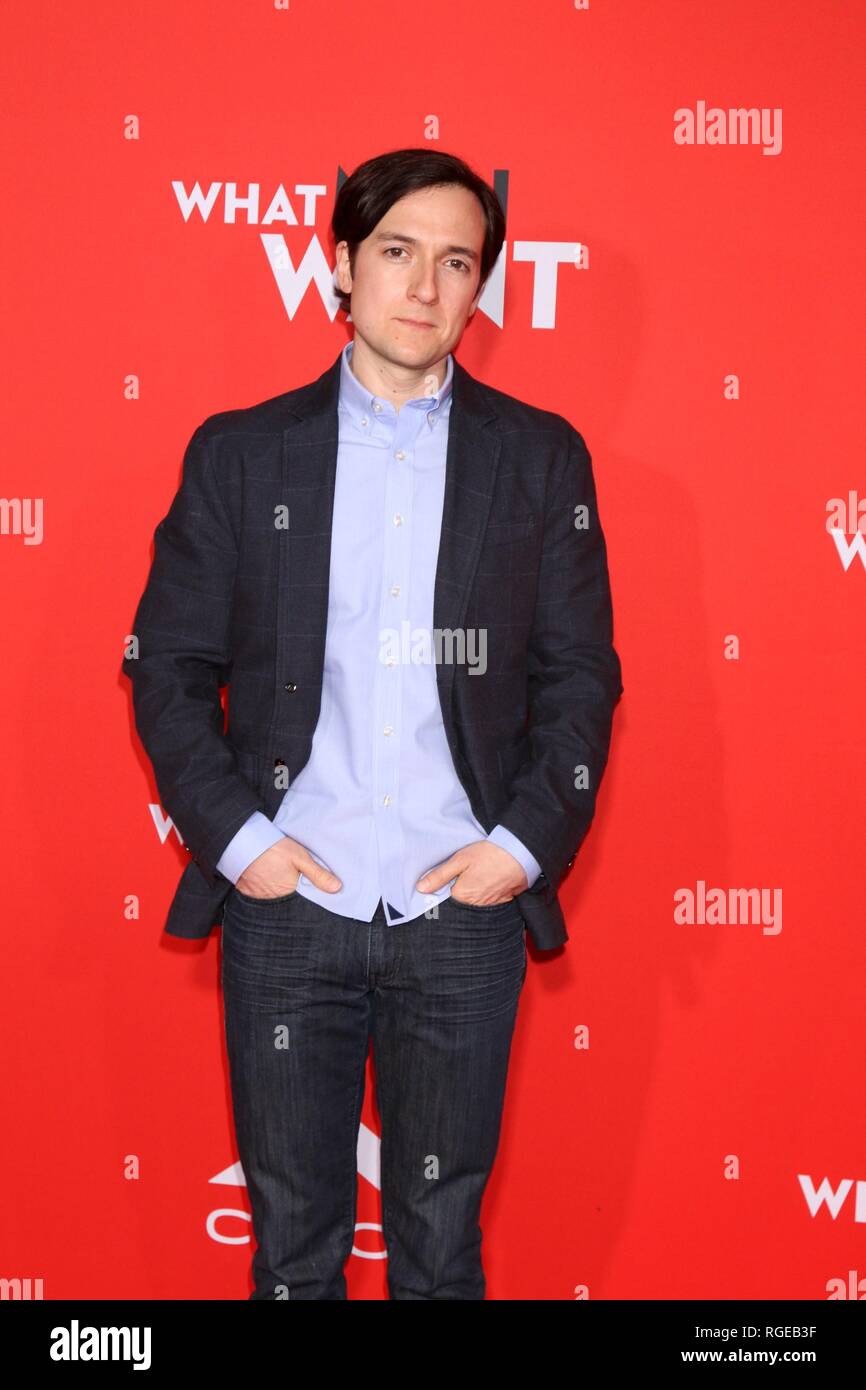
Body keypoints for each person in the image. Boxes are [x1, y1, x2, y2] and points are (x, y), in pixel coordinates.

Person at [122, 147, 623, 1299]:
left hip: (460, 913)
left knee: (440, 1251)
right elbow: (167, 672)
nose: (424, 287)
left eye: (456, 263)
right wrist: (243, 848)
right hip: (292, 909)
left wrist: (517, 852)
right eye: (396, 252)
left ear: (479, 288)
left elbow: (580, 678)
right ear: (340, 263)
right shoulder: (243, 454)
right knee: (294, 1249)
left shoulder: (539, 460)